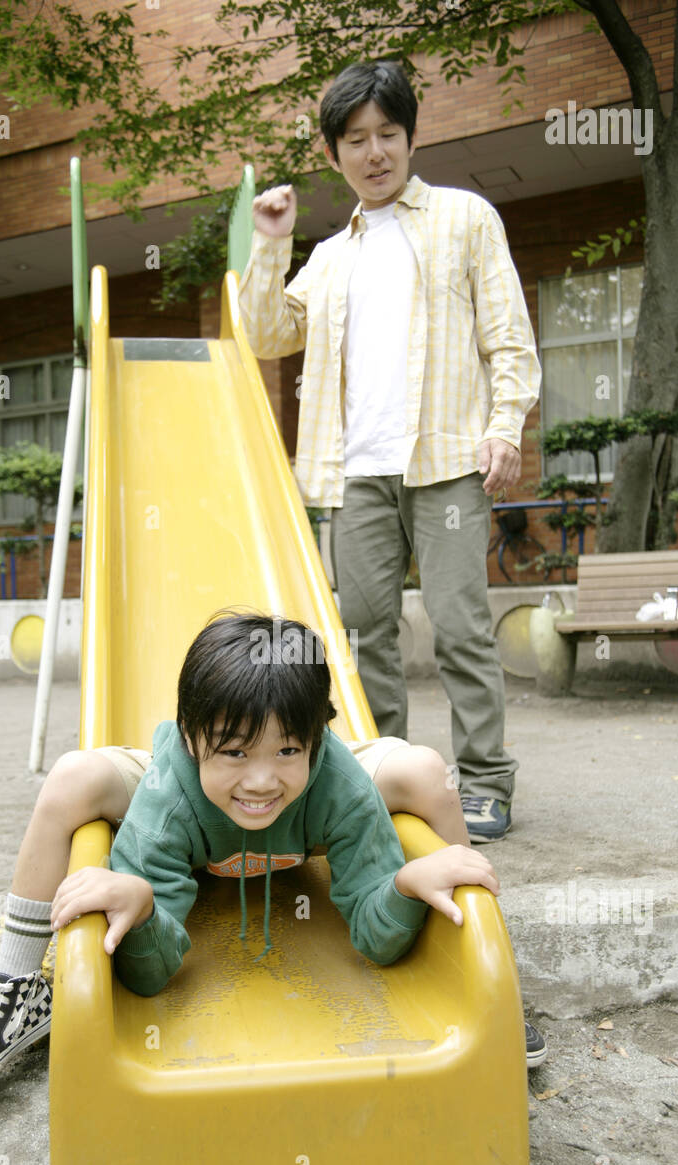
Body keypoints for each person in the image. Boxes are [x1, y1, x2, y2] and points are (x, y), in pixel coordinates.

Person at [0, 612, 546, 1095]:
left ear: (317, 740)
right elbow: (149, 973)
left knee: (429, 771)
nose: (259, 781)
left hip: (313, 798)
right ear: (194, 740)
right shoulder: (167, 798)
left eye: (287, 750)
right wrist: (139, 906)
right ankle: (16, 985)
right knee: (69, 780)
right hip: (193, 795)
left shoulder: (334, 784)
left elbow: (375, 935)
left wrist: (409, 881)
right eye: (234, 753)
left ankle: (480, 963)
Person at [238, 60, 542, 845]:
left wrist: (505, 425)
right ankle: (386, 775)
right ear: (333, 152)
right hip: (354, 473)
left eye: (388, 135)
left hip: (443, 463)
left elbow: (508, 338)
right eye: (356, 140)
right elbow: (268, 335)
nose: (374, 153)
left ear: (410, 136)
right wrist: (268, 244)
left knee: (460, 624)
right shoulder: (332, 257)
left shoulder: (464, 219)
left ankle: (484, 779)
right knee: (366, 631)